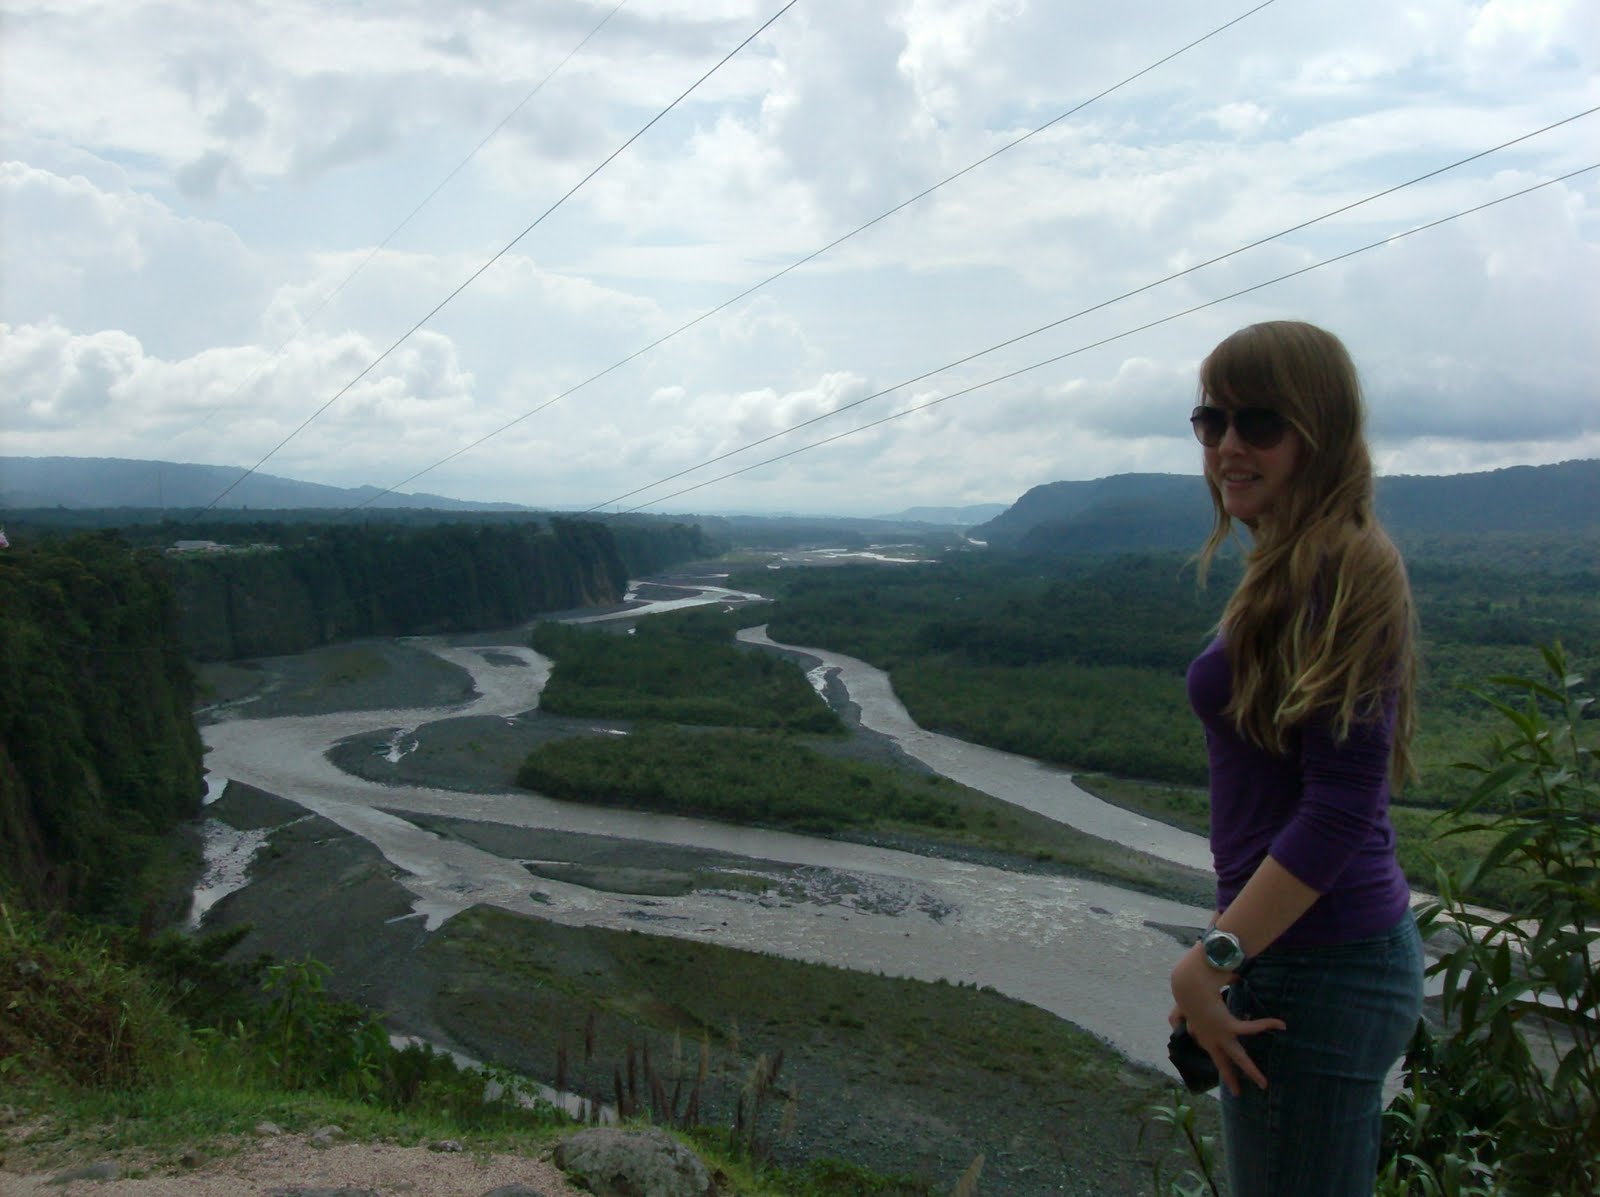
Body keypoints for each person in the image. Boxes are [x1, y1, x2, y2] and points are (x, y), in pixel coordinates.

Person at [1167, 320, 1424, 1196]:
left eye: (1261, 422)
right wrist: (1231, 944)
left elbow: (1340, 808)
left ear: (1319, 429)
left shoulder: (1344, 568)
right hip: (1306, 956)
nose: (1230, 446)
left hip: (1322, 968)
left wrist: (1213, 957)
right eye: (1213, 422)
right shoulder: (1290, 563)